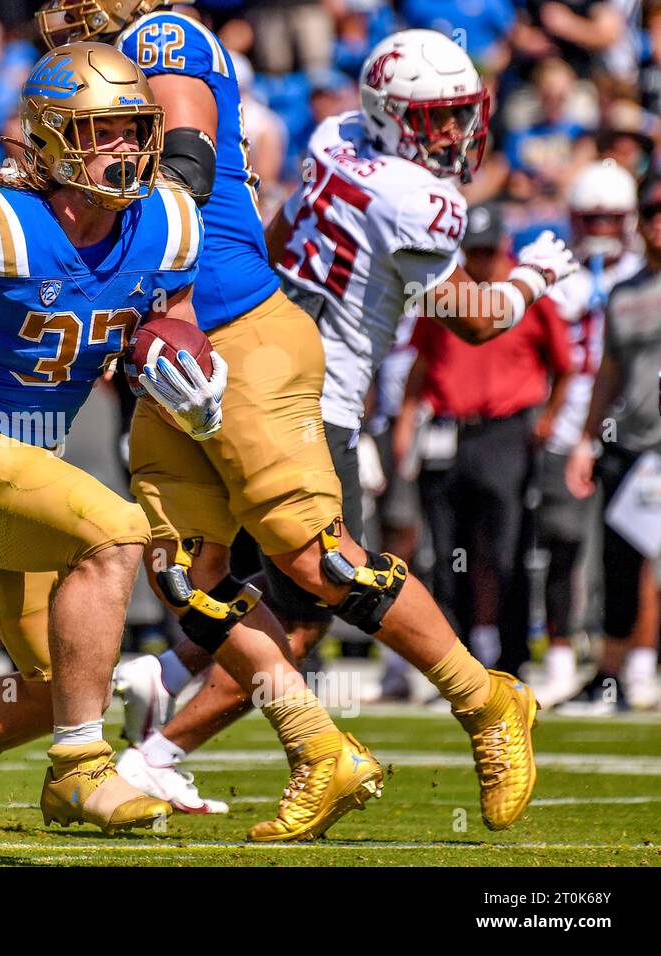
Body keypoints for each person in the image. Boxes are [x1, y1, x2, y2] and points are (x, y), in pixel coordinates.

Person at [0, 41, 383, 859]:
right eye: (99, 132)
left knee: (57, 685)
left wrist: (191, 371)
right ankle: (81, 767)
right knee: (119, 533)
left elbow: (173, 310)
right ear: (50, 138)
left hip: (30, 472)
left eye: (132, 129)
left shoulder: (169, 220)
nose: (122, 149)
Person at [38, 18, 568, 833]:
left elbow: (187, 178)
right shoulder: (363, 155)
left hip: (246, 344)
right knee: (184, 570)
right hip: (194, 336)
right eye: (440, 118)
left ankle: (485, 700)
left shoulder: (184, 51)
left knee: (318, 571)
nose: (457, 135)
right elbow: (268, 230)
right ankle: (310, 742)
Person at [395, 202, 572, 676]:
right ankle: (457, 658)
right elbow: (422, 361)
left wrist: (549, 417)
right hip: (450, 432)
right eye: (473, 251)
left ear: (504, 249)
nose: (481, 261)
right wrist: (406, 419)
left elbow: (565, 364)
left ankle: (512, 657)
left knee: (505, 550)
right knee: (447, 548)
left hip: (505, 432)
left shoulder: (525, 295)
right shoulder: (446, 292)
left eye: (488, 252)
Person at [536, 160, 643, 704]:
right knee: (563, 542)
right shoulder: (556, 273)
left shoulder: (646, 275)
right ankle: (560, 658)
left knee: (632, 551)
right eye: (591, 218)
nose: (600, 228)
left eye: (611, 218)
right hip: (568, 424)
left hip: (634, 429)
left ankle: (627, 663)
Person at [563, 175, 661, 714]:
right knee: (622, 563)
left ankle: (642, 666)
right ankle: (615, 673)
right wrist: (586, 440)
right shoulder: (624, 293)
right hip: (633, 444)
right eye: (650, 211)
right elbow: (610, 370)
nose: (658, 221)